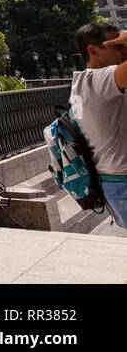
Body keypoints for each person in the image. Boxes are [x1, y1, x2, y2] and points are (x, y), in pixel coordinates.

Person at [71, 22, 127, 226]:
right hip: (121, 179)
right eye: (117, 44)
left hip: (115, 179)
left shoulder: (83, 81)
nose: (124, 49)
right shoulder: (98, 79)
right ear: (93, 50)